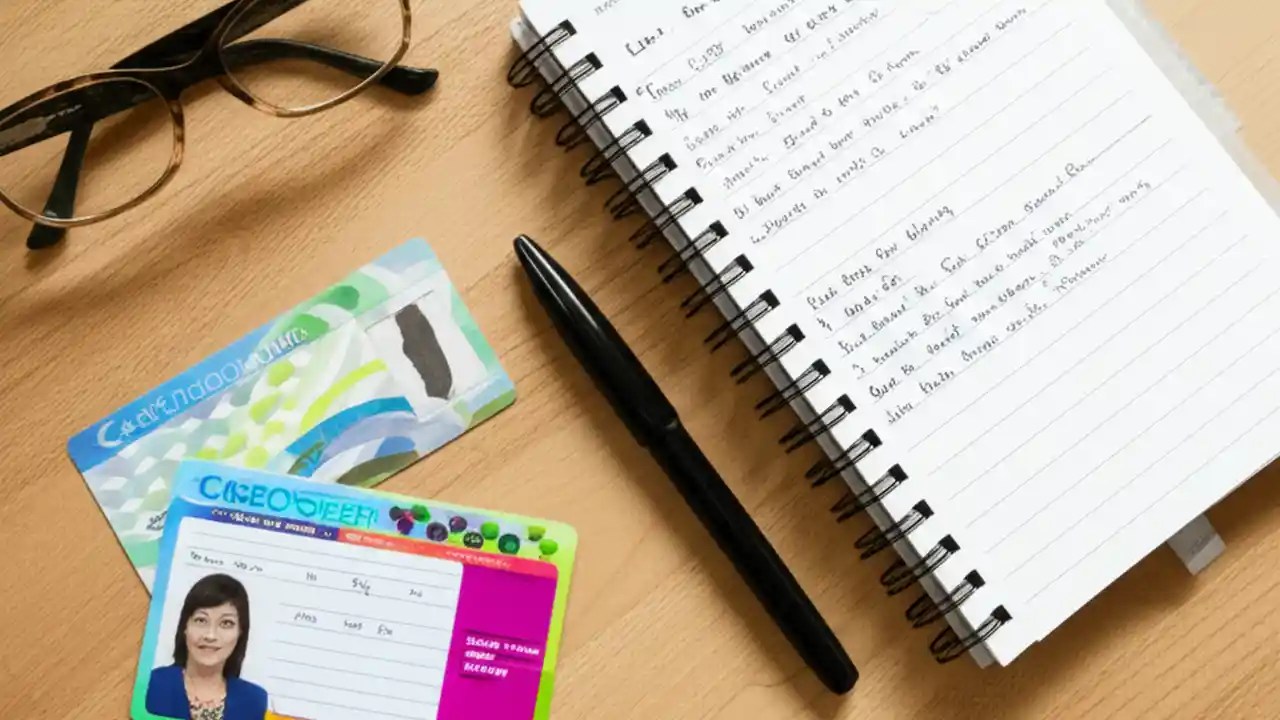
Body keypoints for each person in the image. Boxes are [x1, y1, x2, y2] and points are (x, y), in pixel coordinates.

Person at [146, 573, 268, 720]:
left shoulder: (254, 702)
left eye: (226, 623)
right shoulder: (152, 685)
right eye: (201, 620)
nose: (210, 635)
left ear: (240, 632)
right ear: (185, 626)